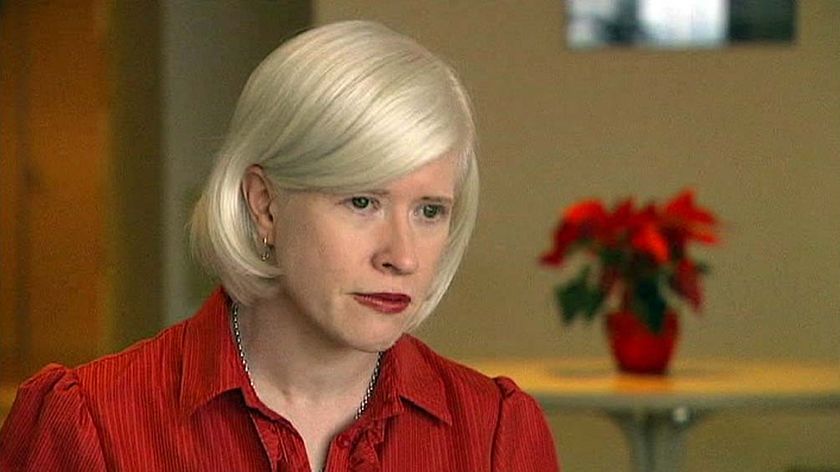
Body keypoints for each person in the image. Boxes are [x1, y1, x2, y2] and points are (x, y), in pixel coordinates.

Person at [0, 20, 559, 471]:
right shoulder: (90, 424)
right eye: (362, 202)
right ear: (265, 204)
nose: (403, 256)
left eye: (429, 211)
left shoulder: (495, 434)